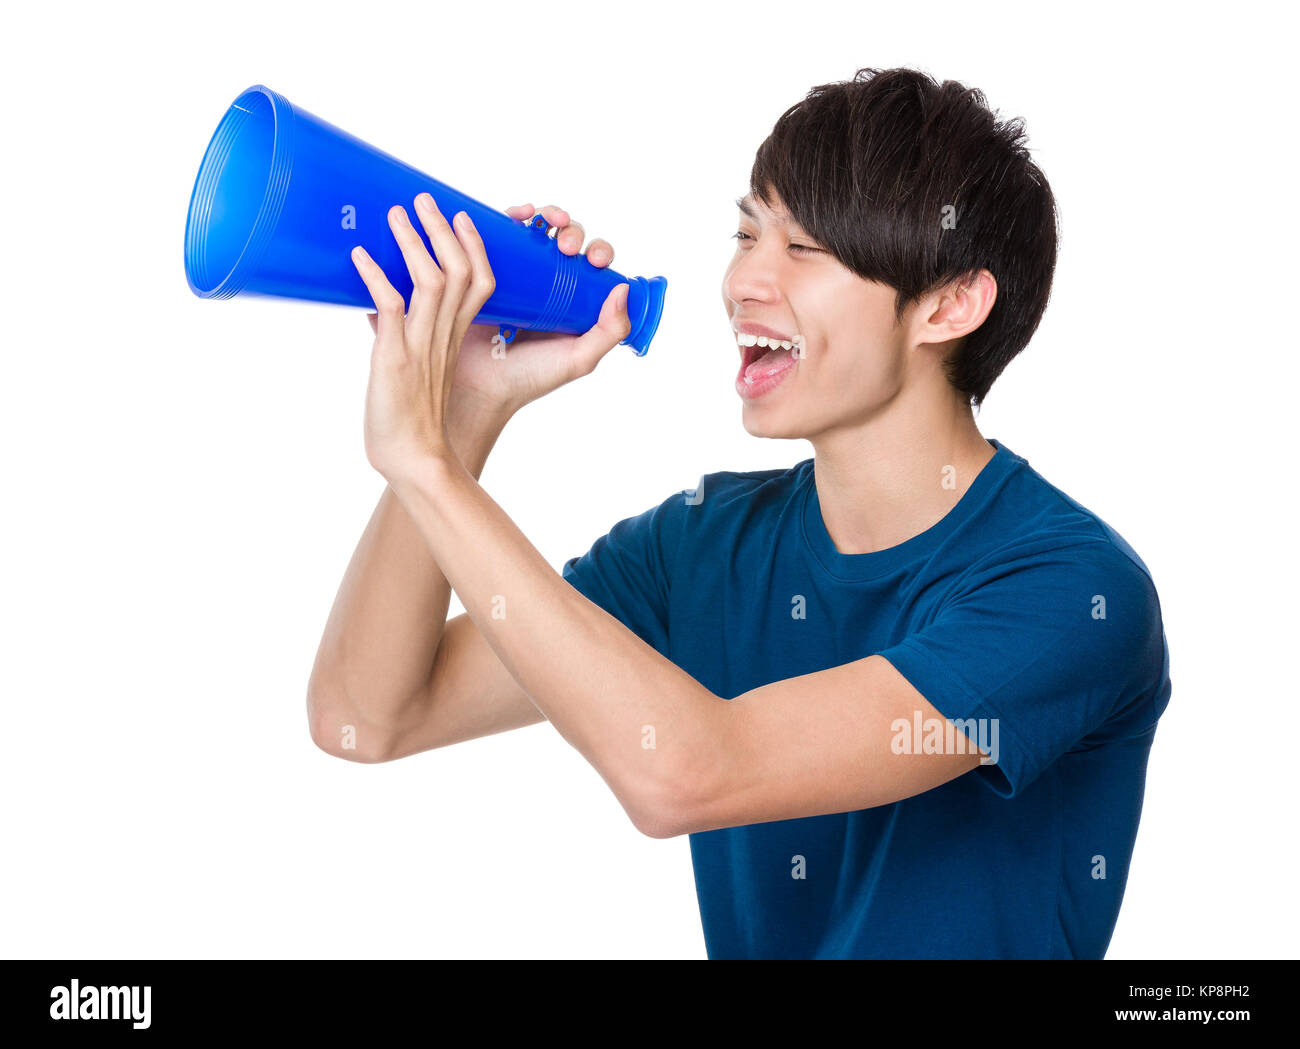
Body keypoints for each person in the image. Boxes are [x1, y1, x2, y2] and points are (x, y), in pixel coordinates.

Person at [306, 66, 1172, 959]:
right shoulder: (700, 544)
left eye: (804, 250)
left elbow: (687, 772)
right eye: (747, 231)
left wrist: (426, 468)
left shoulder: (1073, 591)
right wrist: (461, 421)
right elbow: (368, 714)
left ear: (951, 304)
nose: (742, 282)